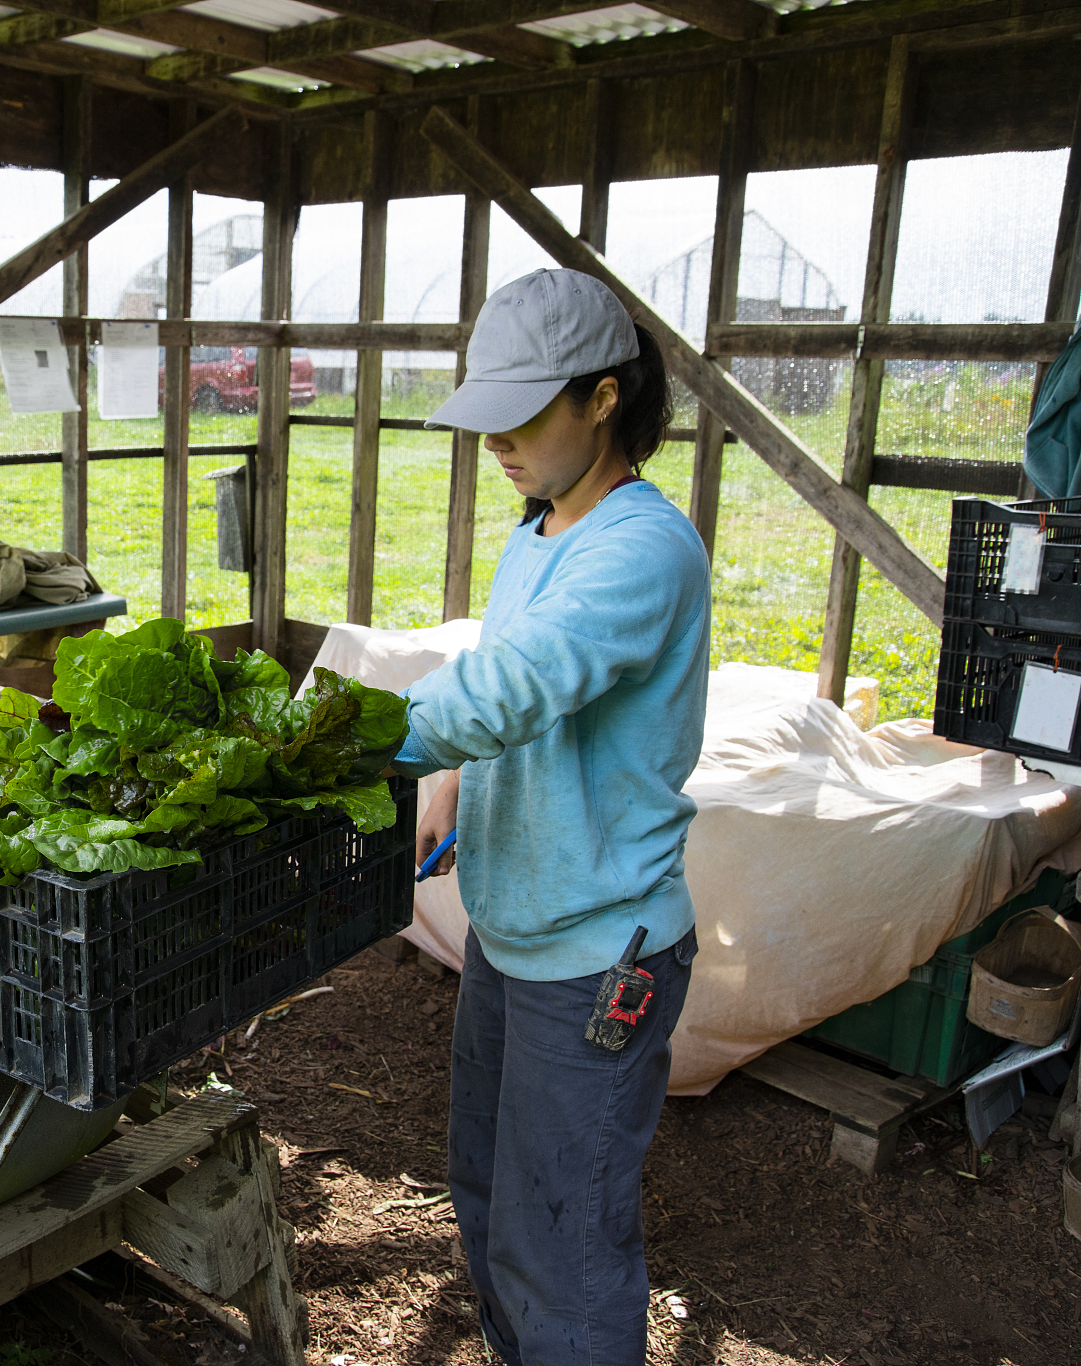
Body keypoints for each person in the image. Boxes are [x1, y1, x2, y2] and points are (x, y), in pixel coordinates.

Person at [392, 267, 710, 1366]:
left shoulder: (641, 548)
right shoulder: (535, 534)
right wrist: (455, 779)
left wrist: (342, 734)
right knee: (485, 1191)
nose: (495, 444)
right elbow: (511, 677)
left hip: (594, 954)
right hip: (515, 931)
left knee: (562, 1246)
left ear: (604, 397)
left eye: (521, 416)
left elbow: (521, 681)